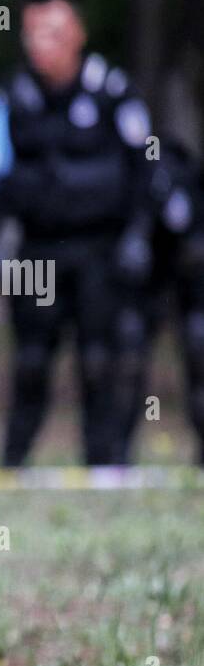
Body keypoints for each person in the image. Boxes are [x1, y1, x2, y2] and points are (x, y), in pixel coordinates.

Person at [0, 0, 153, 466]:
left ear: (78, 33)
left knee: (100, 362)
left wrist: (138, 234)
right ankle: (12, 467)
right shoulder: (11, 95)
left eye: (51, 33)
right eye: (31, 33)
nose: (39, 44)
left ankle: (105, 466)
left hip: (100, 250)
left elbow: (145, 165)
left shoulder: (113, 91)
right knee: (31, 363)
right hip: (37, 251)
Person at [114, 141, 204, 462]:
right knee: (128, 358)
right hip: (145, 284)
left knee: (197, 345)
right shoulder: (135, 187)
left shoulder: (189, 181)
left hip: (190, 282)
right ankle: (115, 457)